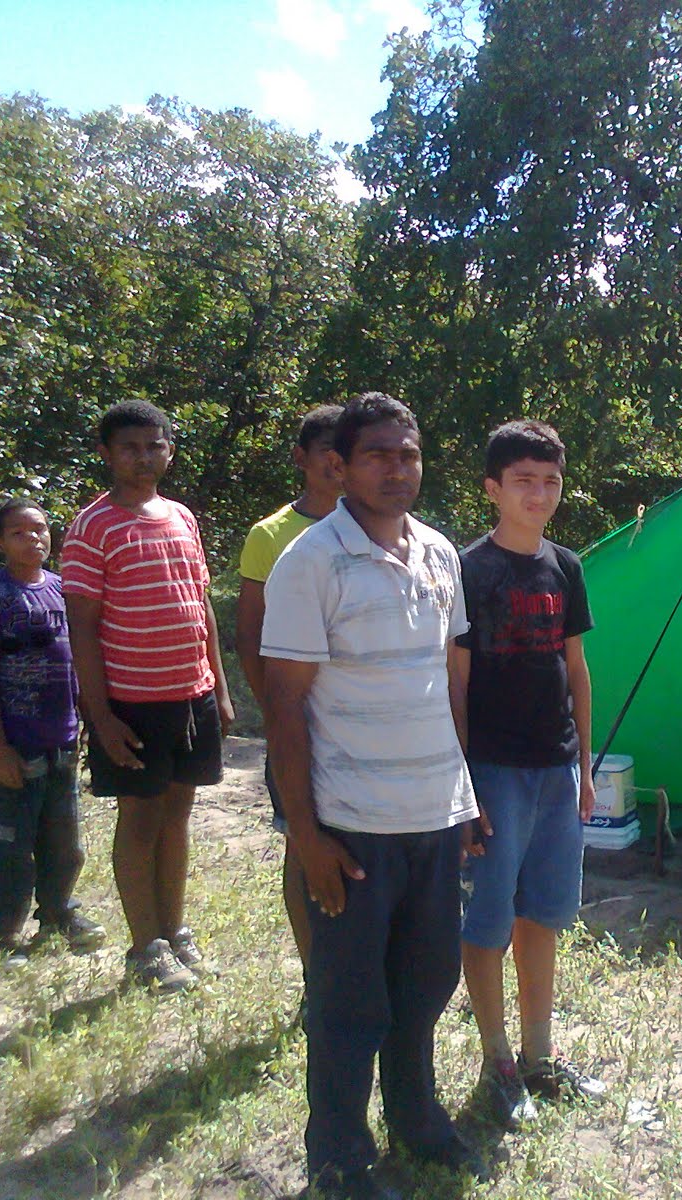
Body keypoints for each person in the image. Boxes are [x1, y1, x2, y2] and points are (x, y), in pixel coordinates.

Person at [262, 392, 482, 1199]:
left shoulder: (439, 553)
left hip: (433, 811)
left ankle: (419, 1125)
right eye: (379, 454)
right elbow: (284, 706)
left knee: (425, 984)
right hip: (351, 826)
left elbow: (449, 680)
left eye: (409, 453)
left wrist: (466, 793)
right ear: (339, 467)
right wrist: (306, 835)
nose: (398, 468)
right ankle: (339, 1157)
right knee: (349, 1001)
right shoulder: (310, 562)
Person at [453, 419, 606, 1127]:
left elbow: (576, 669)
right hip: (492, 768)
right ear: (493, 489)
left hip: (556, 766)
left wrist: (585, 767)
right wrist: (460, 783)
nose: (538, 494)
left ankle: (541, 1057)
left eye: (550, 481)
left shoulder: (566, 567)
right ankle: (499, 1062)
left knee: (541, 914)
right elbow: (453, 682)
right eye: (523, 481)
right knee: (486, 921)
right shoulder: (468, 568)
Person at [63, 401, 234, 994]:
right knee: (140, 818)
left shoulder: (182, 517)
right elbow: (81, 626)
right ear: (108, 455)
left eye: (153, 445)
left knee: (178, 815)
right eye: (130, 447)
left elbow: (201, 602)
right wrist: (100, 713)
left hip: (192, 694)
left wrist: (220, 683)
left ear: (169, 450)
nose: (143, 457)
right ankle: (144, 948)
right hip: (133, 703)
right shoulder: (93, 527)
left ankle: (175, 931)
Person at [0, 497, 105, 966]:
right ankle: (2, 933)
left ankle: (59, 914)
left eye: (41, 530)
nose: (35, 539)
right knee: (12, 843)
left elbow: (79, 662)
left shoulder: (63, 590)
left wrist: (86, 719)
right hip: (15, 744)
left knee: (65, 841)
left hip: (62, 738)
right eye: (20, 533)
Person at [234, 404, 342, 983]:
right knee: (304, 845)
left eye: (343, 448)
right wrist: (281, 719)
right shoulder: (272, 535)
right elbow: (250, 635)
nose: (334, 460)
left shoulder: (379, 527)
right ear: (301, 458)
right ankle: (315, 979)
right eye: (322, 449)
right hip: (299, 723)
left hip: (362, 727)